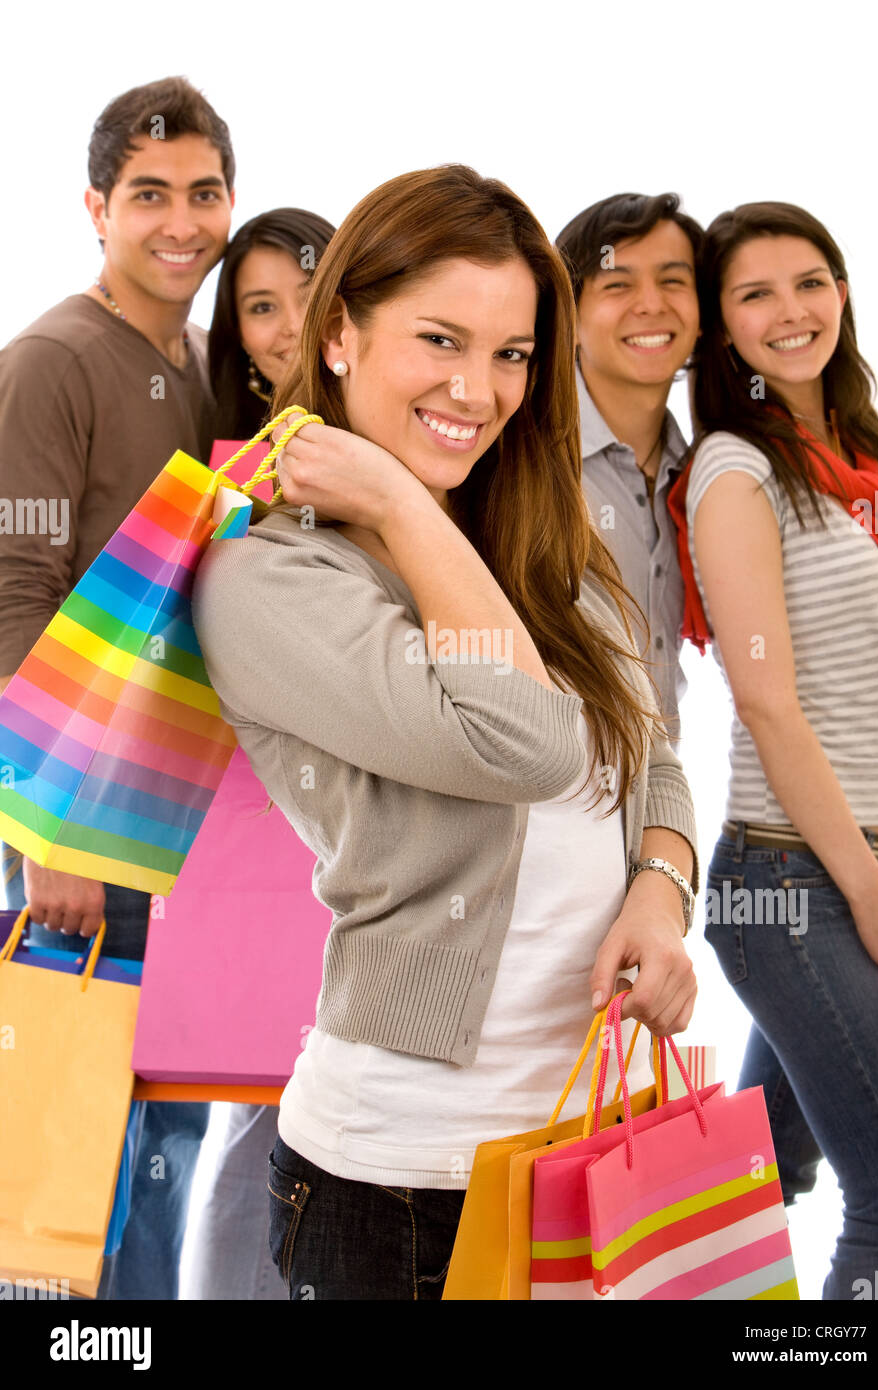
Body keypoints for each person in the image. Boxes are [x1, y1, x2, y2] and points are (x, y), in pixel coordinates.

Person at [192, 164, 699, 1303]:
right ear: (339, 339)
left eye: (511, 354)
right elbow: (524, 746)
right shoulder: (270, 574)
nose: (478, 389)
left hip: (597, 1140)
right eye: (438, 340)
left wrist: (658, 894)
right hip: (405, 1185)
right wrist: (400, 504)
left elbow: (648, 757)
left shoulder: (541, 547)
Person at [0, 75, 234, 1299]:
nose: (178, 222)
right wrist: (44, 835)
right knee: (65, 1140)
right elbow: (7, 598)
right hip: (78, 820)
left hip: (177, 819)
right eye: (149, 195)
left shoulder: (202, 360)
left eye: (202, 193)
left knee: (163, 1136)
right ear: (97, 206)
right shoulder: (50, 361)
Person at [668, 201, 878, 1300]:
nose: (789, 311)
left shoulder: (860, 459)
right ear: (720, 330)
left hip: (866, 856)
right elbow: (767, 705)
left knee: (763, 1168)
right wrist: (871, 898)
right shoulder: (736, 470)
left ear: (842, 291)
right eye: (753, 293)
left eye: (807, 281)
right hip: (791, 884)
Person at [186, 206, 336, 1303]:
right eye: (259, 309)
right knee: (259, 1107)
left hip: (375, 839)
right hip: (268, 839)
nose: (288, 329)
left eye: (307, 292)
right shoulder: (226, 476)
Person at [555, 194, 704, 745]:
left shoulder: (704, 477)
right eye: (617, 284)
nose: (650, 304)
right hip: (538, 812)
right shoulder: (514, 457)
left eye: (673, 281)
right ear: (566, 318)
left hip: (656, 808)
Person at [208, 207, 336, 440]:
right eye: (263, 307)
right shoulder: (227, 462)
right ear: (238, 334)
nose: (296, 326)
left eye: (314, 295)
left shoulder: (415, 419)